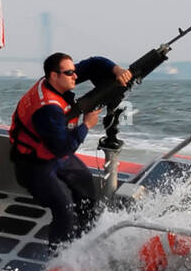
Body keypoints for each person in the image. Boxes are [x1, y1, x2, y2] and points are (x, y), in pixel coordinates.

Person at [9, 52, 133, 249]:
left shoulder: (59, 79)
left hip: (52, 156)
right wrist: (87, 125)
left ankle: (85, 241)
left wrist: (117, 70)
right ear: (53, 76)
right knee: (64, 209)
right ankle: (59, 259)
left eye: (74, 72)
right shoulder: (47, 108)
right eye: (69, 73)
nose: (75, 76)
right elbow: (63, 148)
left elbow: (93, 64)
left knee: (85, 184)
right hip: (34, 166)